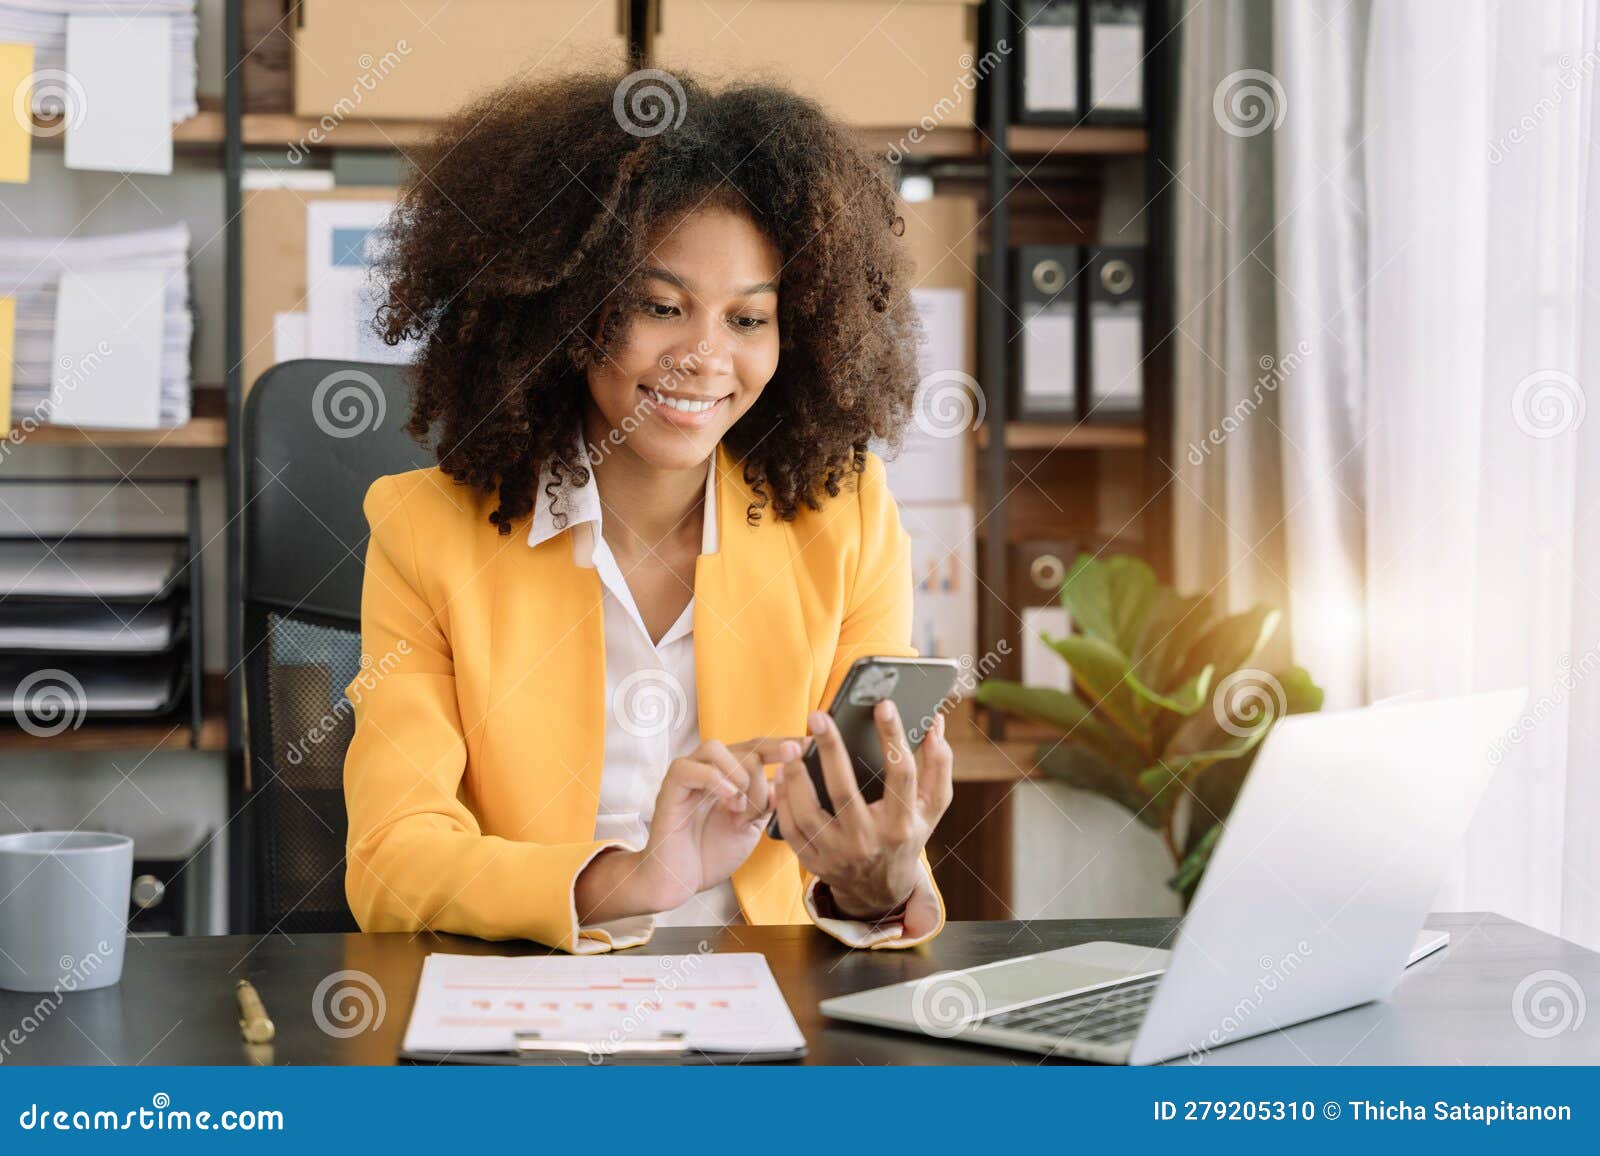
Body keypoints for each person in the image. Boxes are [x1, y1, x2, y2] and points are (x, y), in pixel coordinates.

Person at [341, 68, 955, 954]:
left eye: (749, 320)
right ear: (564, 309)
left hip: (768, 1019)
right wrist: (625, 880)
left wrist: (879, 880)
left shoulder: (847, 520)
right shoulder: (424, 534)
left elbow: (860, 849)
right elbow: (392, 861)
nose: (706, 357)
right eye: (660, 306)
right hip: (524, 1007)